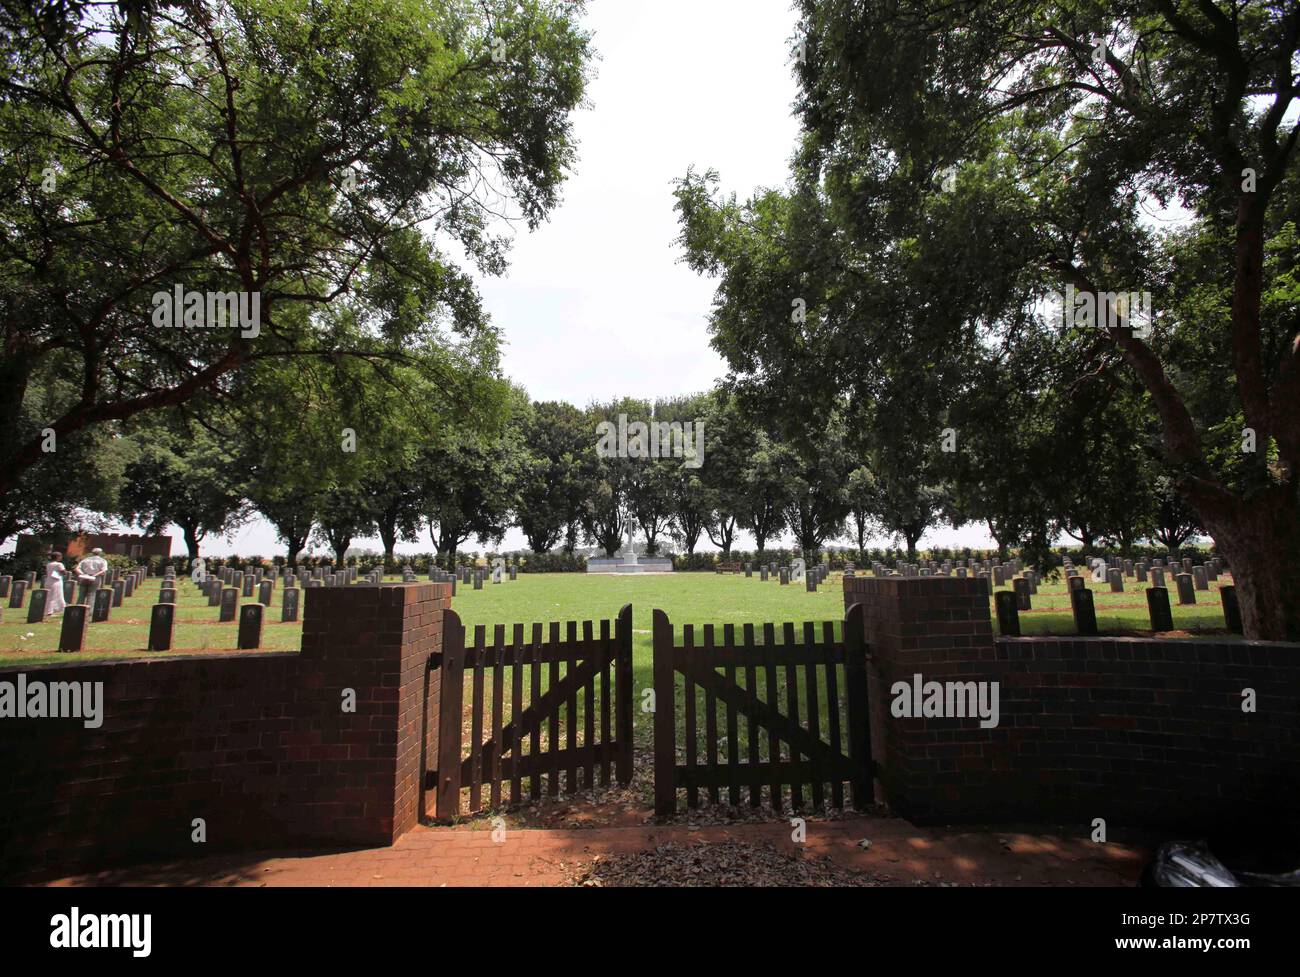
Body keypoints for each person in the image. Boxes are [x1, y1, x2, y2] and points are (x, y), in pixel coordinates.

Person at [43, 552, 67, 619]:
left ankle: (60, 609)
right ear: (58, 557)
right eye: (60, 556)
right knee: (53, 596)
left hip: (48, 581)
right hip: (56, 582)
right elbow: (64, 572)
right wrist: (65, 572)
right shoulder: (59, 564)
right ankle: (49, 612)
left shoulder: (49, 564)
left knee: (51, 596)